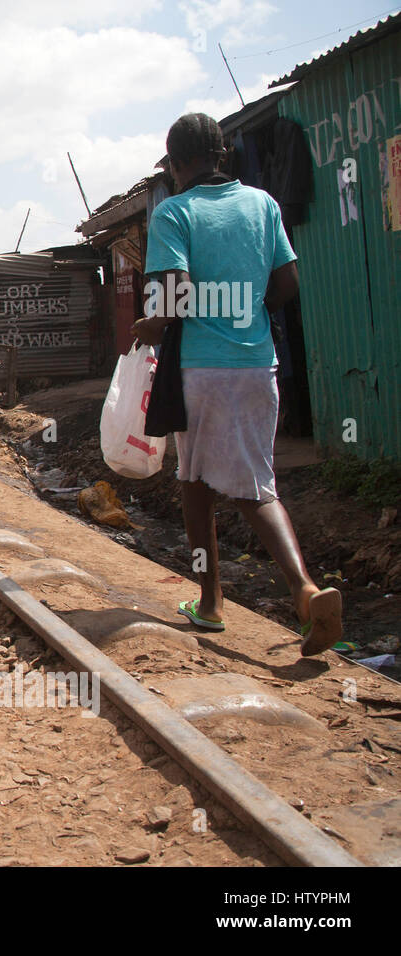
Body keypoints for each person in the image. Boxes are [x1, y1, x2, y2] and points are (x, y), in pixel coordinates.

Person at [133, 112, 342, 656]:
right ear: (222, 155)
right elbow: (287, 283)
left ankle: (252, 596)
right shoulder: (263, 204)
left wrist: (152, 324)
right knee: (229, 482)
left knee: (219, 487)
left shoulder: (173, 212)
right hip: (258, 367)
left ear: (176, 164)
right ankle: (258, 596)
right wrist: (245, 313)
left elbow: (174, 296)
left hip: (201, 371)